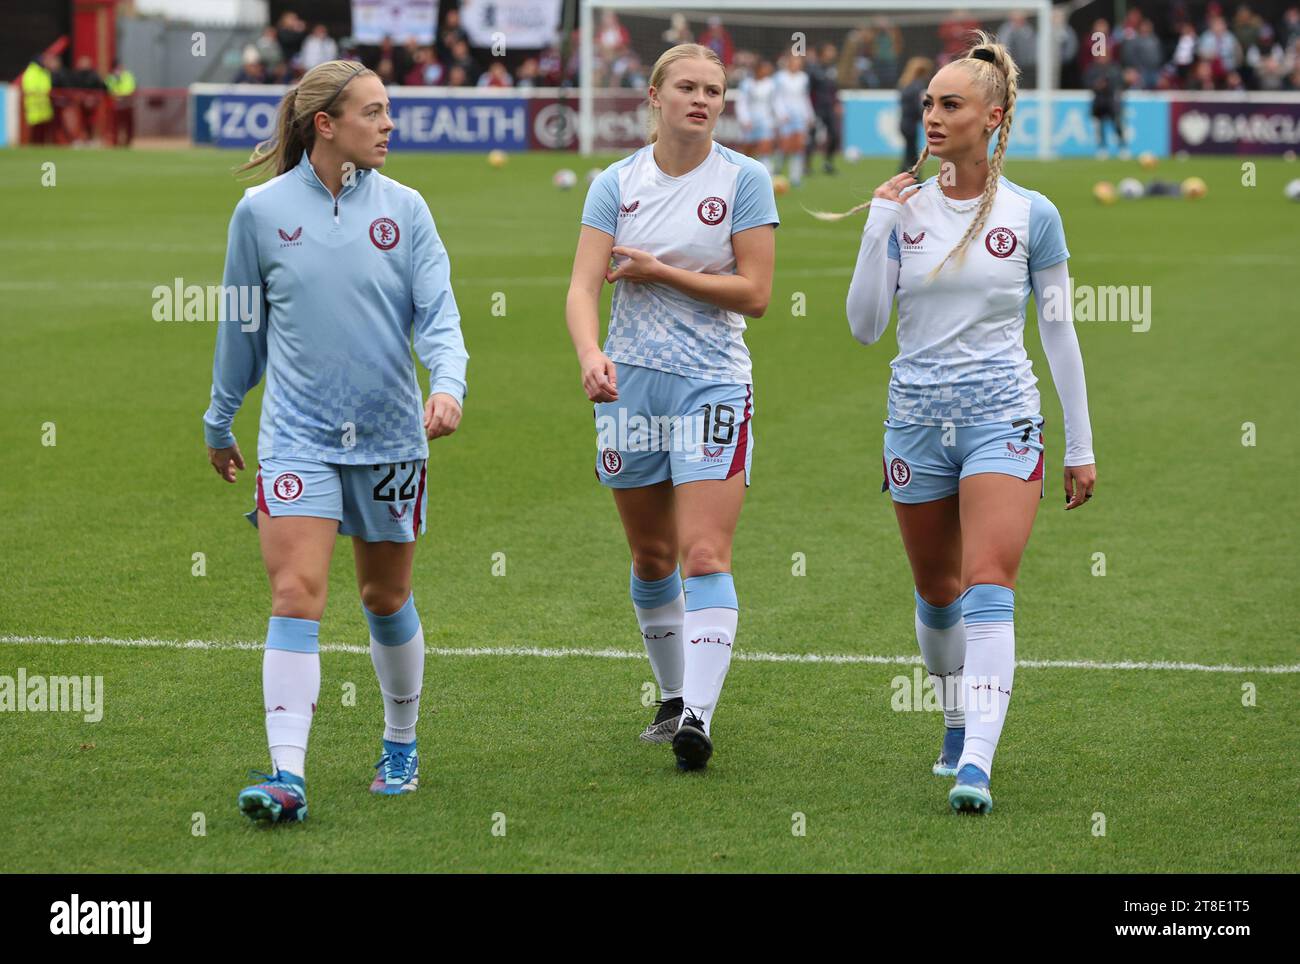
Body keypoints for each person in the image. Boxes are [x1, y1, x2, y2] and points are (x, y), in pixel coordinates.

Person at [204, 60, 469, 824]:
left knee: (384, 597)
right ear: (326, 123)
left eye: (389, 112)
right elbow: (240, 332)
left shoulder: (408, 210)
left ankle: (400, 741)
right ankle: (288, 775)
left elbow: (440, 315)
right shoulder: (258, 213)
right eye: (374, 113)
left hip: (391, 437)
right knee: (294, 594)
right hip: (296, 438)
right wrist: (220, 421)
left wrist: (447, 384)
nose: (389, 125)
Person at [837, 34, 1095, 814]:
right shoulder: (902, 209)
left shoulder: (1032, 214)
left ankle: (978, 759)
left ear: (994, 116)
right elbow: (862, 327)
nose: (934, 117)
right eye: (928, 104)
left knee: (989, 583)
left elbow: (1059, 331)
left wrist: (1079, 444)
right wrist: (875, 228)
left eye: (950, 104)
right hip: (915, 420)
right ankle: (953, 716)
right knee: (937, 592)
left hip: (1001, 419)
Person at [565, 43, 777, 772]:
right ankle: (671, 694)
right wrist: (592, 354)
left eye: (714, 90)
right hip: (632, 387)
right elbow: (582, 287)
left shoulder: (745, 180)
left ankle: (699, 717)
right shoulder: (615, 183)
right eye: (686, 86)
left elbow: (756, 294)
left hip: (712, 383)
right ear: (653, 95)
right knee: (651, 556)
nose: (702, 99)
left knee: (705, 552)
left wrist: (665, 272)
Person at [773, 54, 813, 186]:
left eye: (799, 62)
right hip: (785, 116)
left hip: (799, 115)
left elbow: (804, 97)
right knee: (785, 145)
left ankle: (795, 177)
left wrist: (809, 114)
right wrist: (781, 113)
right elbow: (777, 97)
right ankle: (776, 170)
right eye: (794, 62)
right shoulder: (780, 77)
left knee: (799, 145)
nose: (797, 65)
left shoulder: (803, 78)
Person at [896, 57, 932, 173]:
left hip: (904, 122)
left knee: (909, 150)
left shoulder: (905, 83)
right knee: (912, 152)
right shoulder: (917, 86)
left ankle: (903, 173)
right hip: (911, 124)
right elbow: (919, 106)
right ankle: (914, 176)